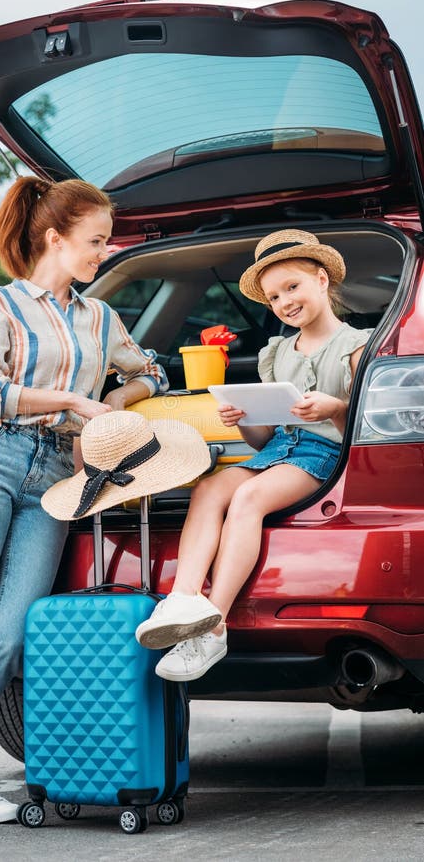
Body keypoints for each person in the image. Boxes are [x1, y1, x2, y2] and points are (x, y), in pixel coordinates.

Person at [0, 176, 168, 823]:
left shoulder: (99, 318)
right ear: (55, 237)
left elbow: (150, 371)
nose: (102, 254)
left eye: (106, 242)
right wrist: (68, 400)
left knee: (13, 630)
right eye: (94, 241)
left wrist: (113, 402)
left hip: (57, 472)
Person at [135, 228, 371, 681]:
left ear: (322, 280)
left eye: (292, 287)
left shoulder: (356, 347)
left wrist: (335, 407)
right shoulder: (275, 352)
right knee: (209, 487)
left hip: (324, 454)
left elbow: (356, 435)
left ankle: (214, 625)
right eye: (274, 297)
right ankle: (183, 598)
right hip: (281, 450)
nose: (284, 302)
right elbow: (265, 439)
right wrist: (241, 418)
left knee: (247, 499)